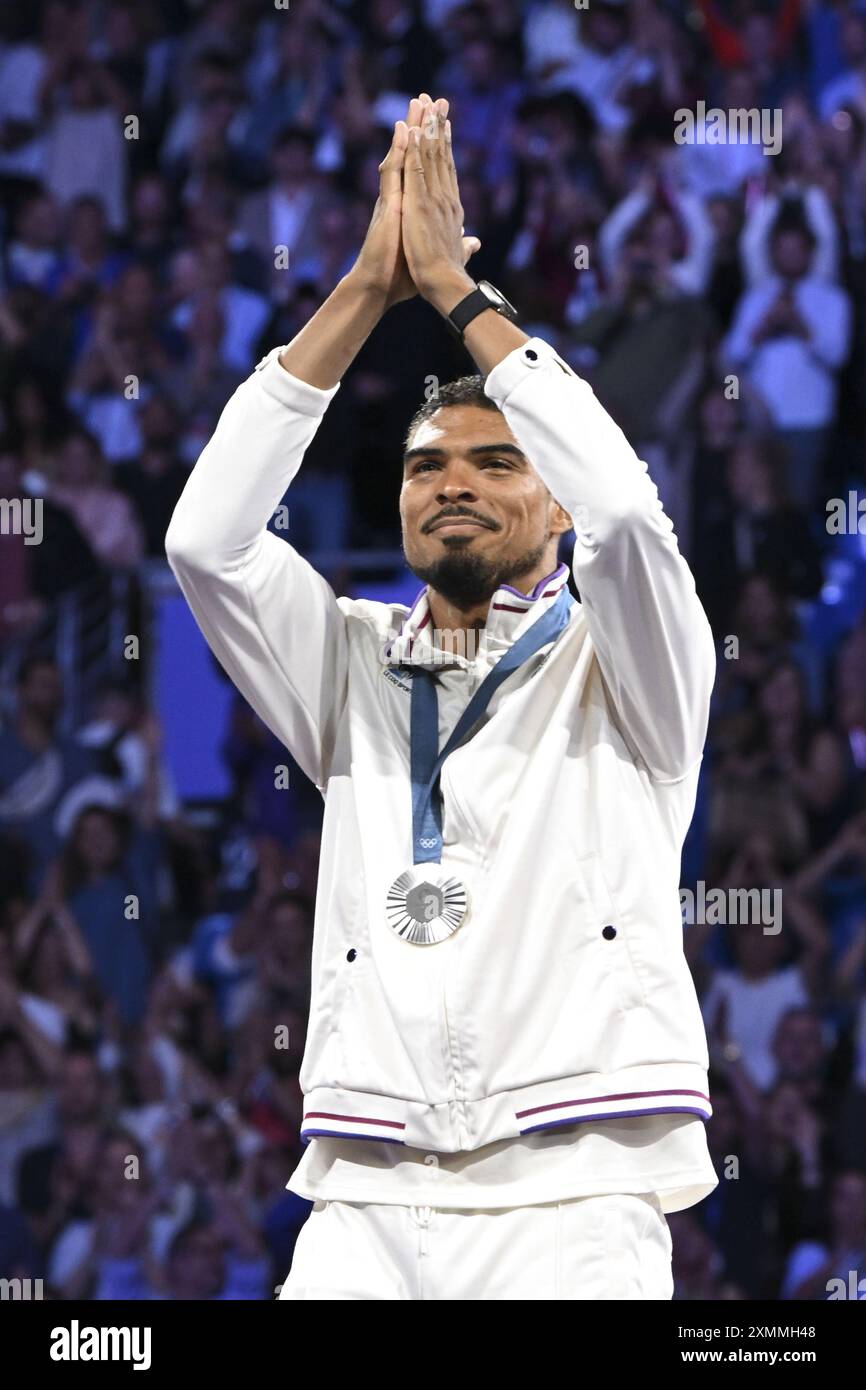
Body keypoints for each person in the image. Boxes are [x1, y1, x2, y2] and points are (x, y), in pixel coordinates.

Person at [166, 92, 719, 1301]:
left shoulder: (629, 666)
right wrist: (367, 287)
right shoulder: (350, 662)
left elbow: (625, 515)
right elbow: (207, 543)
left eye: (494, 461)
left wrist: (465, 306)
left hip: (572, 1188)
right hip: (364, 1191)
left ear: (552, 499)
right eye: (426, 467)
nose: (451, 484)